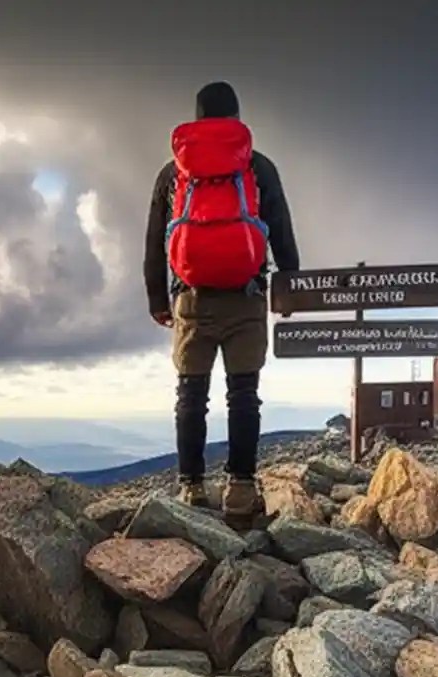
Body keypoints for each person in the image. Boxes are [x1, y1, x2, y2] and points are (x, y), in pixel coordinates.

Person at [143, 81, 300, 526]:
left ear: (196, 117)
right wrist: (288, 285)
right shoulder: (257, 165)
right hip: (247, 297)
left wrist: (158, 298)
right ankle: (240, 490)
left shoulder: (173, 172)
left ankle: (192, 487)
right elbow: (280, 228)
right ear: (236, 116)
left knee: (191, 395)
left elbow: (156, 240)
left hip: (191, 300)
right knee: (244, 393)